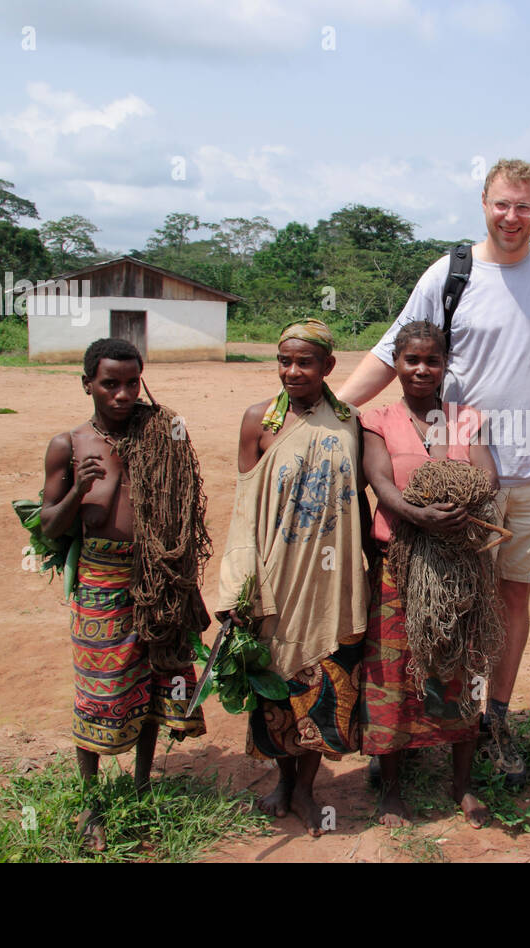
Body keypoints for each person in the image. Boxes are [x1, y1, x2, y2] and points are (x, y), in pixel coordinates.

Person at [338, 158, 530, 784]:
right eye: (501, 204)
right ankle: (430, 712)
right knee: (447, 592)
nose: (511, 217)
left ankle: (493, 716)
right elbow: (391, 352)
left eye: (524, 206)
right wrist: (323, 413)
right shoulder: (449, 274)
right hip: (458, 469)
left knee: (511, 598)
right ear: (482, 204)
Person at [40, 337, 207, 852]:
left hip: (158, 578)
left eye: (132, 382)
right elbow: (49, 526)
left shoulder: (162, 432)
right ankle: (91, 802)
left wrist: (187, 587)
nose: (122, 394)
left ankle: (141, 782)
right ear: (87, 382)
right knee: (99, 688)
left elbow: (182, 513)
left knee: (157, 680)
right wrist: (77, 491)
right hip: (102, 582)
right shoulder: (69, 445)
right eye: (109, 383)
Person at [217, 319, 369, 837]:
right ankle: (284, 782)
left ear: (329, 367)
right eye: (284, 360)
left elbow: (362, 506)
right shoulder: (258, 419)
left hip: (334, 583)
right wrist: (239, 580)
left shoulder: (349, 420)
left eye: (305, 362)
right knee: (278, 691)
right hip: (277, 579)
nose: (292, 371)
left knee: (325, 689)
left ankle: (306, 789)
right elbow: (244, 507)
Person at [359, 321, 498, 829]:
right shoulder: (377, 420)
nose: (422, 369)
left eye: (432, 360)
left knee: (460, 669)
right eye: (411, 359)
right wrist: (417, 515)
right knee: (392, 676)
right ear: (396, 363)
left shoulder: (468, 419)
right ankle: (391, 790)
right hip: (400, 566)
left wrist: (461, 498)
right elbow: (380, 481)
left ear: (445, 365)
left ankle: (461, 785)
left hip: (459, 567)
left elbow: (487, 476)